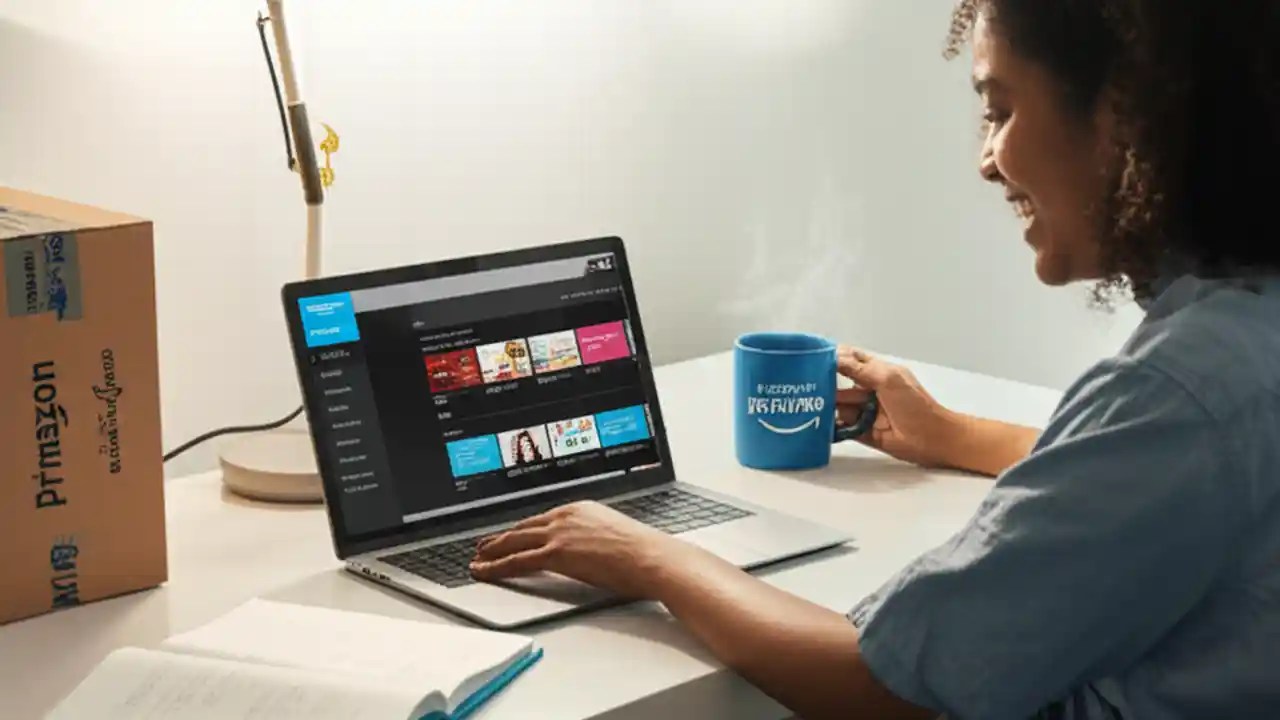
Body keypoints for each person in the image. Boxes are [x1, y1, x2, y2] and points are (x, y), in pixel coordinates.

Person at [471, 1, 1280, 717]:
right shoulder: (1239, 340)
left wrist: (651, 556)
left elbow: (884, 687)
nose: (987, 159)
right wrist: (954, 434)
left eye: (999, 109)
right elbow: (1181, 473)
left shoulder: (1178, 387)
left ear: (1125, 112)